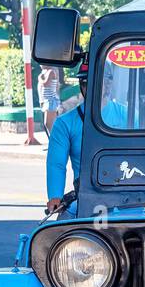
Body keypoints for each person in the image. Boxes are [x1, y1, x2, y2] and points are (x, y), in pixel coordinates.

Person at [45, 61, 128, 215]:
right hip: (85, 197)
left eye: (95, 82)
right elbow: (56, 164)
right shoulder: (64, 123)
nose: (88, 87)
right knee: (63, 230)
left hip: (127, 196)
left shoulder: (128, 116)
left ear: (109, 84)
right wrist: (55, 196)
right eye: (84, 83)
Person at [40, 66, 63, 132]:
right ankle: (54, 139)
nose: (40, 65)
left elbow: (45, 84)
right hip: (47, 100)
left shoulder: (51, 72)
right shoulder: (45, 72)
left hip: (51, 100)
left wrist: (39, 78)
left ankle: (54, 139)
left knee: (49, 124)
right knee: (49, 124)